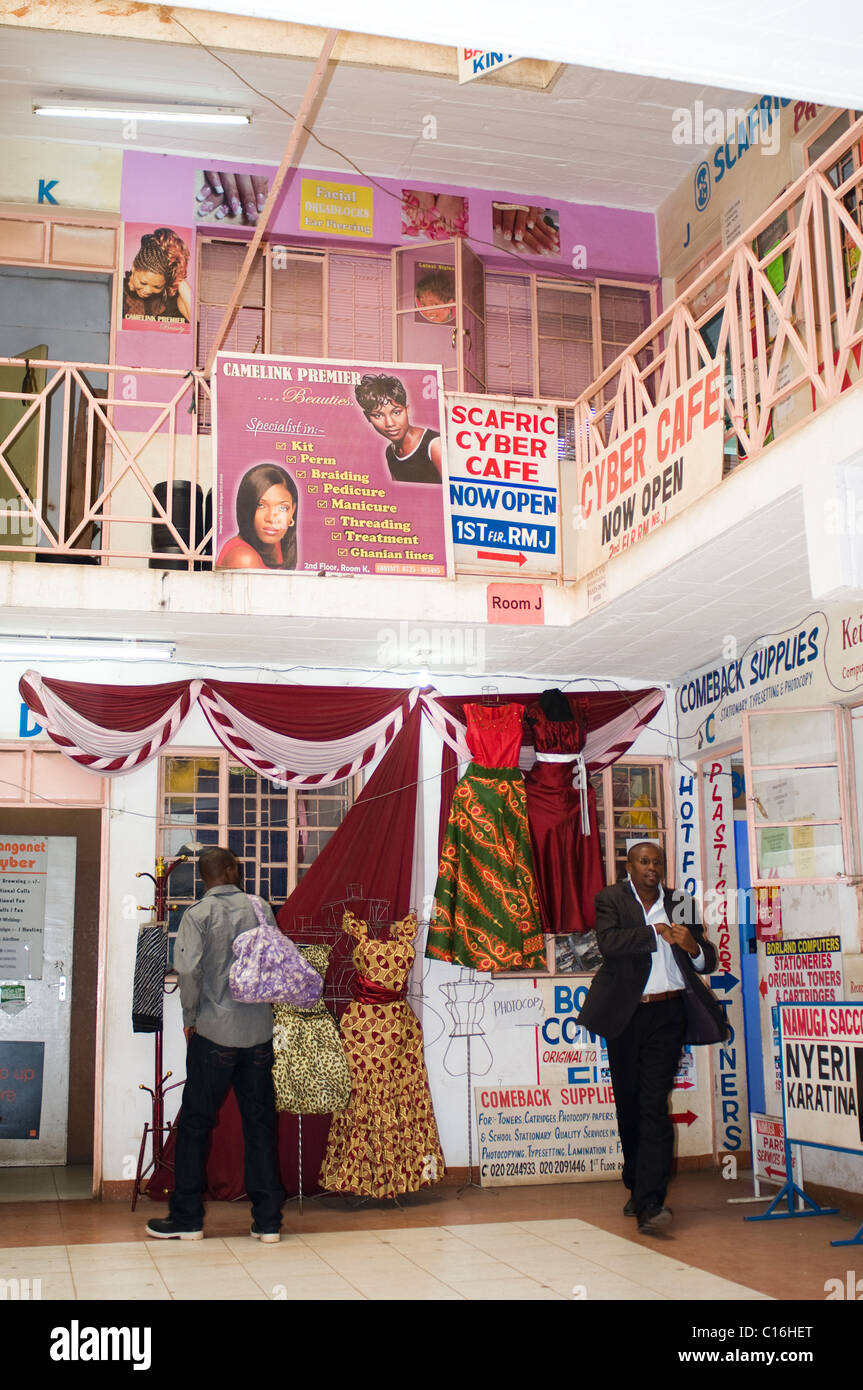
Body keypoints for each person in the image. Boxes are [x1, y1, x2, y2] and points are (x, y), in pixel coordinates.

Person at [145, 846, 322, 1242]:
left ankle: (187, 1218)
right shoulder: (260, 907)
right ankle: (268, 1222)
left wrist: (191, 1019)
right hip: (259, 1032)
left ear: (205, 878)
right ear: (230, 871)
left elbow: (188, 972)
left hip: (214, 1034)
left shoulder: (197, 915)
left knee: (195, 1125)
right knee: (259, 1124)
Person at [576, 841, 727, 1235]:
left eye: (658, 861)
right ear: (630, 865)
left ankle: (650, 1203)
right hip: (625, 1014)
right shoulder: (610, 898)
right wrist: (652, 932)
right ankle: (636, 1185)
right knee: (628, 1105)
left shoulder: (680, 901)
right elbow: (608, 943)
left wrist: (691, 946)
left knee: (653, 1105)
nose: (652, 867)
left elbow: (706, 958)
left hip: (668, 1013)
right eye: (645, 861)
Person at [354, 374, 442, 484]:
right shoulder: (390, 452)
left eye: (396, 412)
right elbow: (398, 495)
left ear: (407, 410)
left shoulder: (434, 445)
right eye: (378, 415)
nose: (390, 423)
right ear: (368, 417)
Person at [217, 464, 298, 570]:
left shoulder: (278, 545)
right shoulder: (244, 558)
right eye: (261, 505)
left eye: (282, 508)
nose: (271, 518)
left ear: (292, 510)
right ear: (247, 509)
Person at [123, 227, 191, 323]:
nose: (148, 290)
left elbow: (195, 323)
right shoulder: (118, 291)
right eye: (143, 283)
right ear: (134, 268)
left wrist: (178, 277)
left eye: (157, 286)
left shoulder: (172, 299)